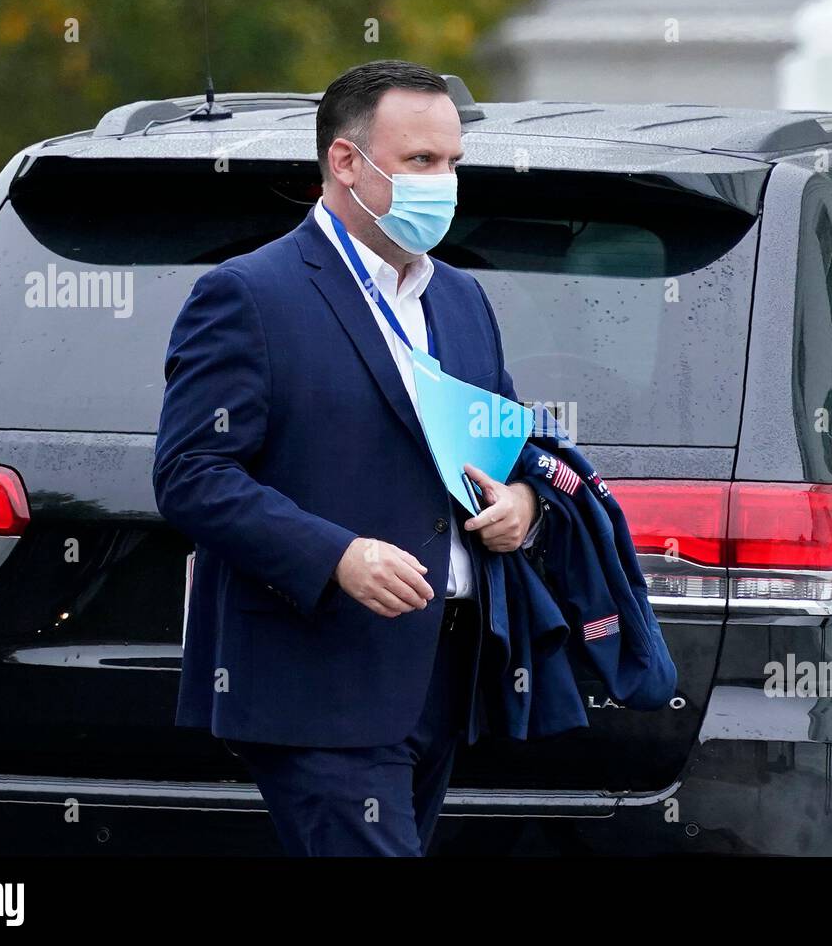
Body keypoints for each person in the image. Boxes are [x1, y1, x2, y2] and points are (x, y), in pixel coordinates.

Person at [152, 59, 542, 856]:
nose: (445, 182)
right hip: (317, 681)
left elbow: (506, 446)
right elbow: (191, 475)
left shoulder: (460, 298)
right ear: (344, 162)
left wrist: (521, 505)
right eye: (421, 162)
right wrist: (337, 556)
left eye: (453, 163)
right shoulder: (250, 293)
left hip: (441, 671)